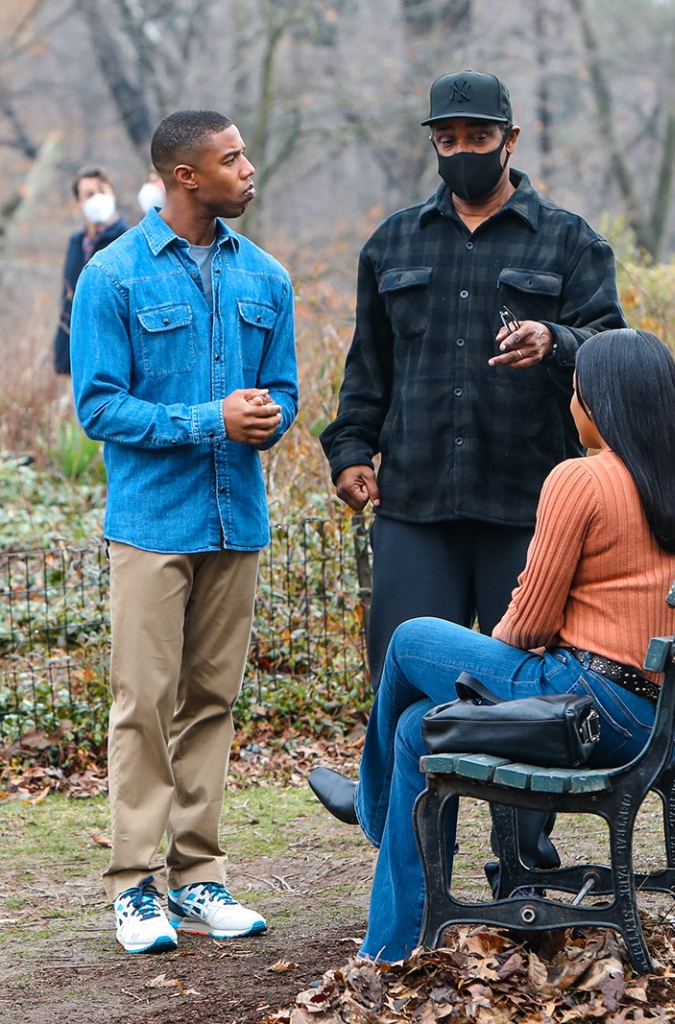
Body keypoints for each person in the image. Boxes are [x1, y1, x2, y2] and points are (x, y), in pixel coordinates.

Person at [309, 328, 675, 963]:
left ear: (601, 401)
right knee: (416, 728)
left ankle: (370, 805)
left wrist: (493, 656)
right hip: (657, 718)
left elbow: (528, 626)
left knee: (411, 639)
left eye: (576, 391)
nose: (571, 404)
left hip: (584, 708)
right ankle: (391, 948)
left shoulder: (581, 479)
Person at [70, 110, 298, 954]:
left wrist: (271, 416)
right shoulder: (112, 276)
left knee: (211, 704)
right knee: (143, 704)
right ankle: (134, 887)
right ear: (184, 176)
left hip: (237, 523)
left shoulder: (267, 277)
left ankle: (198, 879)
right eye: (231, 158)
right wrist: (211, 419)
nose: (249, 168)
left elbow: (284, 388)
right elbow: (98, 406)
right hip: (152, 526)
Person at [320, 70, 626, 694]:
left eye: (479, 137)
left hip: (531, 508)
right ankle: (400, 769)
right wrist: (350, 450)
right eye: (449, 139)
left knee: (525, 690)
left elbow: (613, 355)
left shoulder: (571, 242)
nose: (462, 151)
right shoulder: (391, 244)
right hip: (415, 504)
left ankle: (512, 770)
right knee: (406, 685)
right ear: (434, 143)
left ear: (510, 139)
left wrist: (555, 340)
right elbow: (368, 369)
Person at [53, 167, 129, 375]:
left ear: (113, 194)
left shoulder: (128, 240)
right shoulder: (76, 243)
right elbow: (68, 299)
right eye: (89, 194)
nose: (97, 198)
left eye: (102, 191)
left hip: (114, 357)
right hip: (78, 355)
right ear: (78, 202)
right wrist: (62, 354)